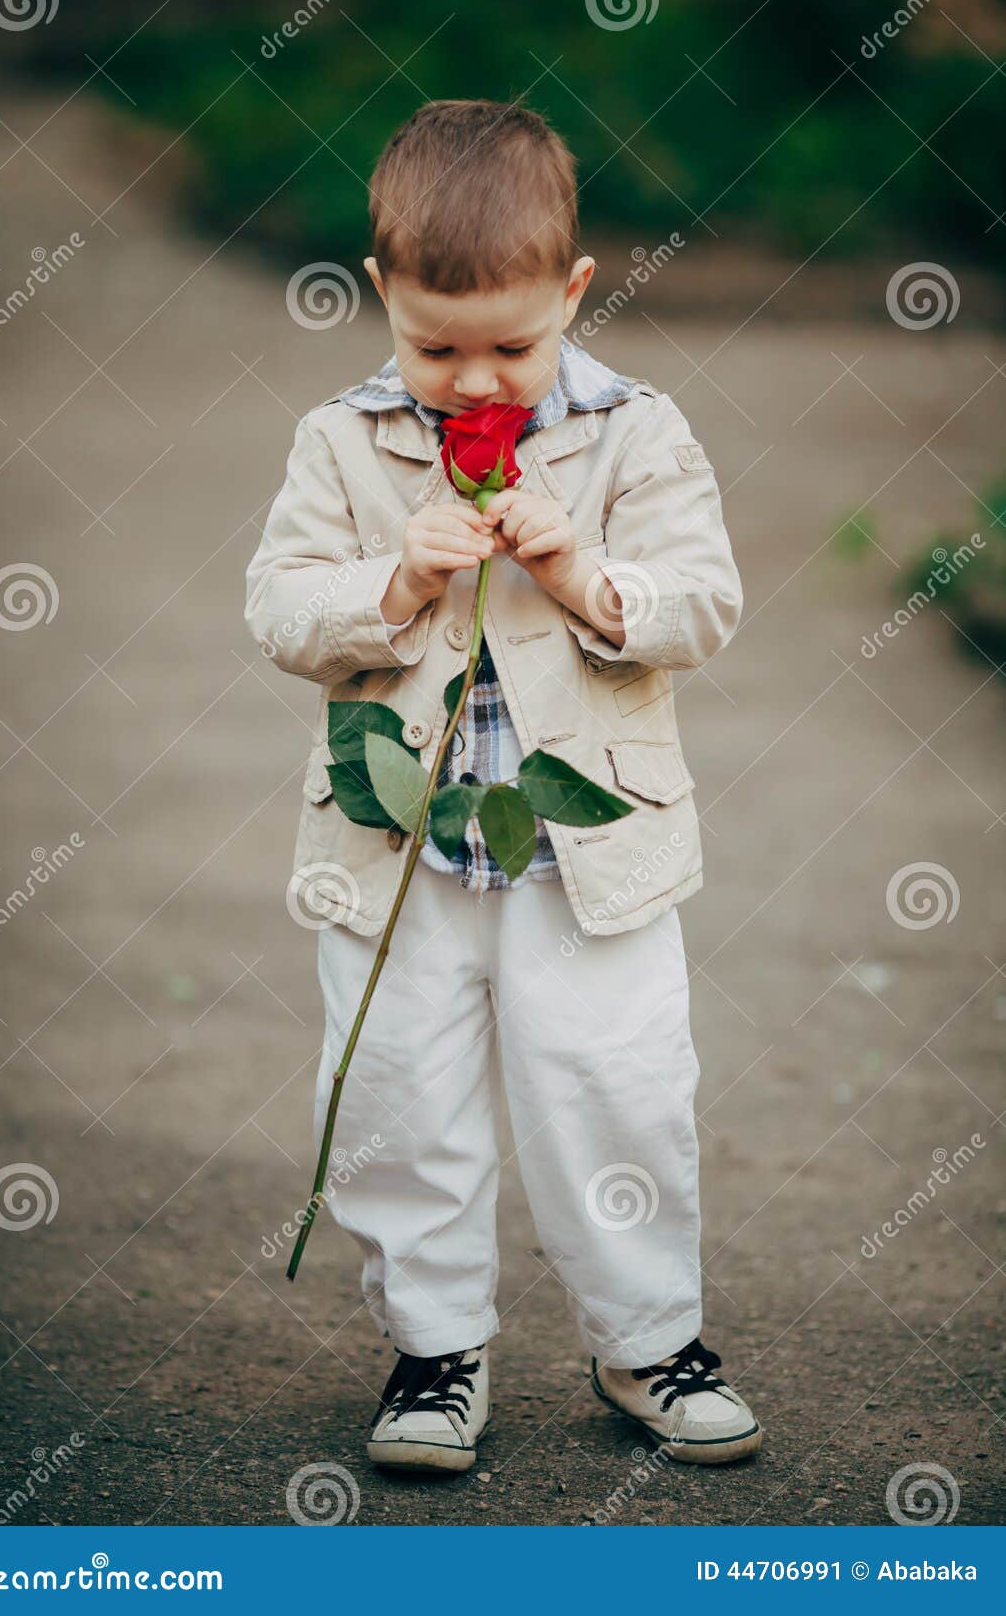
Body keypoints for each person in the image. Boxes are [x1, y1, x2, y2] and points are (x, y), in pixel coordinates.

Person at [245, 99, 760, 1475]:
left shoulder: (636, 435)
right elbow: (279, 608)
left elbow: (703, 602)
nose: (474, 384)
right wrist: (392, 581)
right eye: (435, 347)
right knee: (397, 1100)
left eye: (513, 348)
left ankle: (647, 1336)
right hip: (396, 851)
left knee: (621, 1087)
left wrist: (586, 576)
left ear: (575, 293)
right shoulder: (341, 442)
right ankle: (434, 1348)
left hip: (586, 862)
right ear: (381, 298)